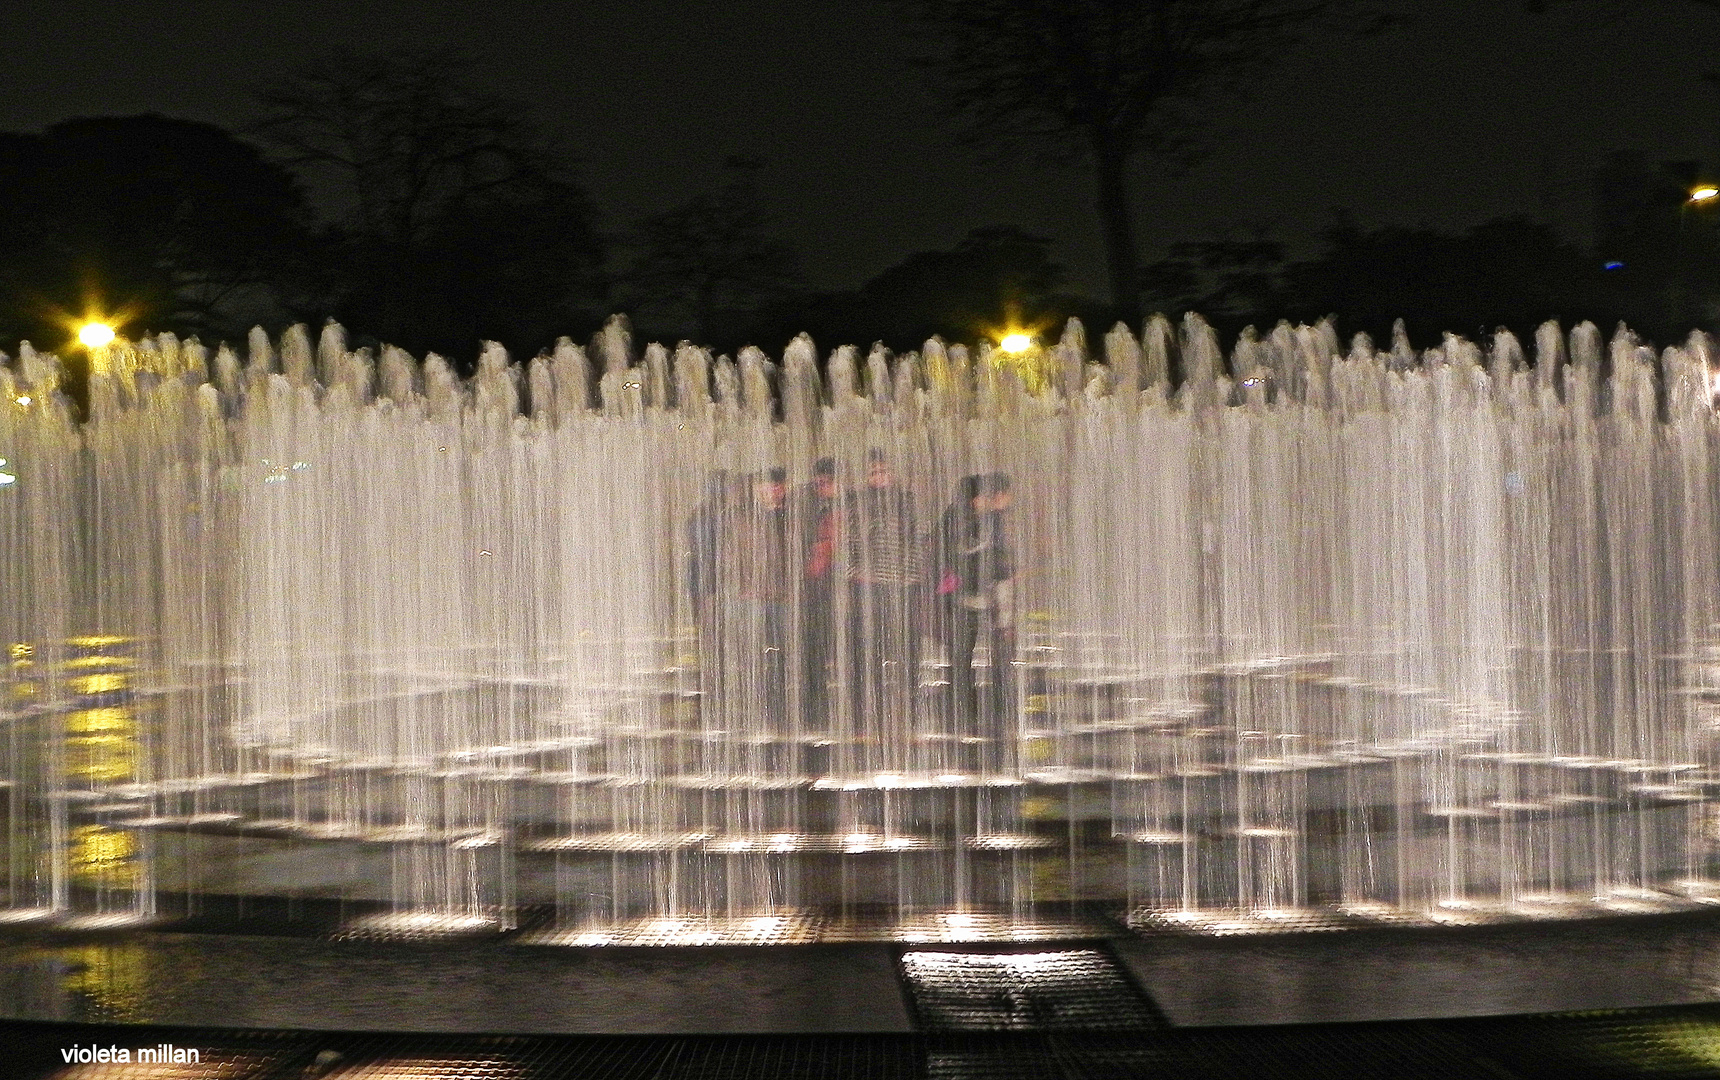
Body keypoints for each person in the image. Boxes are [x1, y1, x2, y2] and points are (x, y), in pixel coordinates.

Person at [935, 472, 1016, 765]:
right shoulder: (954, 522)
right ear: (973, 498)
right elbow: (947, 560)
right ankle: (963, 714)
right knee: (961, 660)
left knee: (978, 660)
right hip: (964, 601)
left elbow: (999, 561)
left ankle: (988, 714)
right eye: (982, 496)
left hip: (983, 601)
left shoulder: (990, 521)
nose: (988, 501)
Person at [844, 450, 922, 739]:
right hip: (869, 583)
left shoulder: (906, 501)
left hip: (902, 585)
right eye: (872, 472)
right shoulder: (857, 502)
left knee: (907, 648)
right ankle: (868, 712)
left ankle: (910, 710)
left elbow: (914, 541)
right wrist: (854, 573)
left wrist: (913, 577)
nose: (878, 478)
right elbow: (850, 542)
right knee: (869, 649)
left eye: (883, 471)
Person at [720, 467, 791, 734]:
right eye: (764, 485)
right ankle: (751, 705)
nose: (770, 490)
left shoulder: (791, 516)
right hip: (748, 596)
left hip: (781, 596)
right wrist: (738, 586)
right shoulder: (739, 517)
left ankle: (777, 706)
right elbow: (728, 555)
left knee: (781, 654)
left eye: (775, 485)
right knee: (750, 653)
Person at [793, 457, 840, 730]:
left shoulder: (846, 503)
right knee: (809, 641)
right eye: (820, 482)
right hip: (808, 585)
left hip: (834, 584)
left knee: (827, 640)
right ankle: (811, 697)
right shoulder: (802, 504)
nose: (823, 487)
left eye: (828, 482)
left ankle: (822, 697)